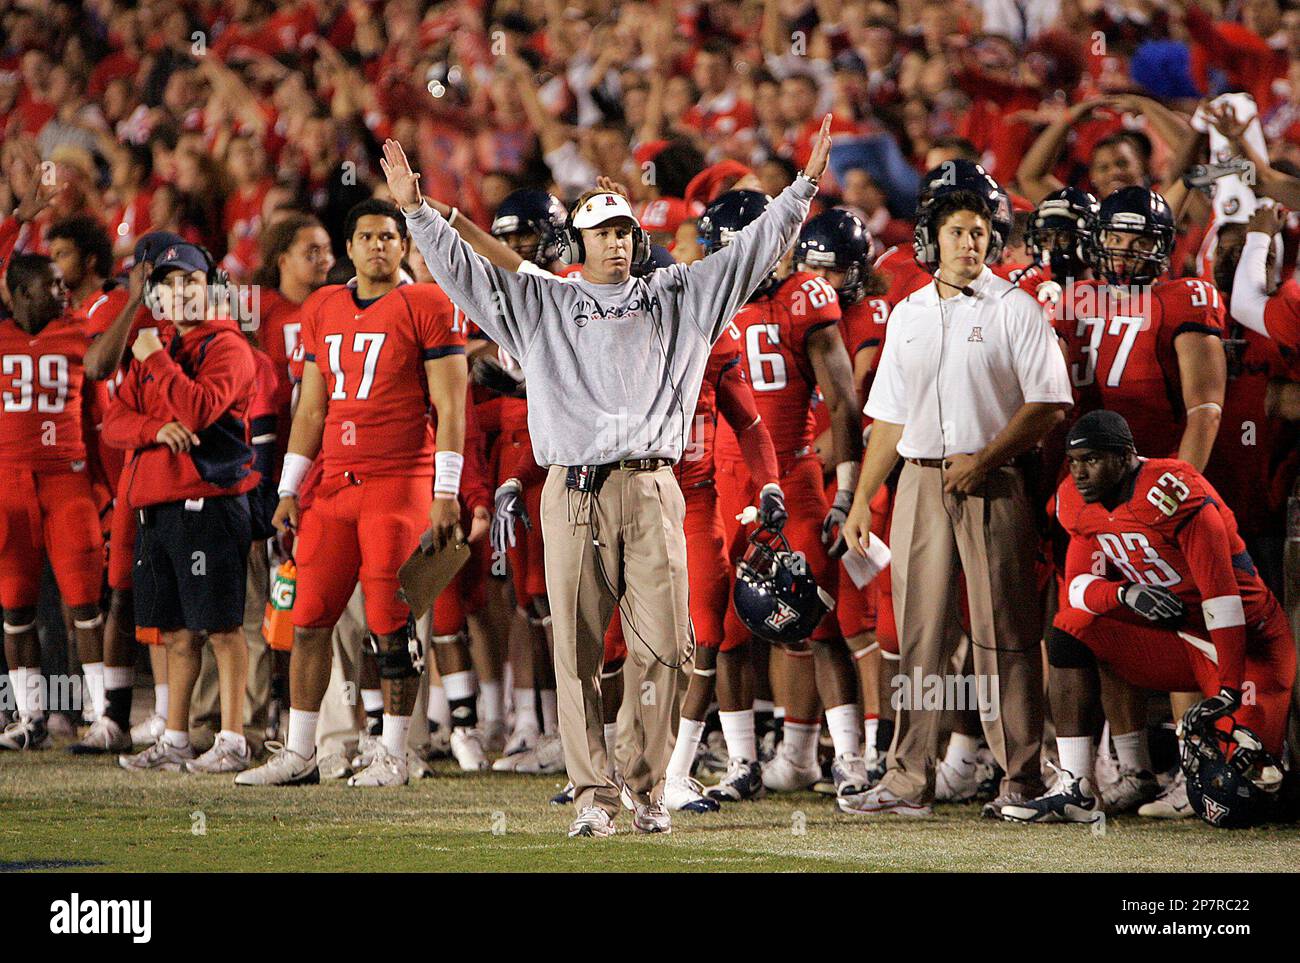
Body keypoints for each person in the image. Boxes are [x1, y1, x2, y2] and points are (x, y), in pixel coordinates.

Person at [382, 115, 835, 838]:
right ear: (581, 245)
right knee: (579, 650)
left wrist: (802, 190)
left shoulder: (681, 296)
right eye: (603, 234)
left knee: (667, 648)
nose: (617, 244)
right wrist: (415, 212)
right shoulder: (547, 301)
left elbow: (751, 253)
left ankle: (647, 787)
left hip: (656, 485)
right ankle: (593, 794)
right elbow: (469, 278)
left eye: (625, 232)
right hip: (573, 489)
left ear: (638, 239)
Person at [839, 166, 1073, 818]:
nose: (970, 242)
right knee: (920, 636)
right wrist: (861, 498)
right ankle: (910, 776)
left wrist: (986, 458)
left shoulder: (1015, 307)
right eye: (957, 231)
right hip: (918, 478)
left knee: (1006, 631)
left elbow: (1050, 402)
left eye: (979, 231)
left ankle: (1023, 778)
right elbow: (888, 415)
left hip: (994, 480)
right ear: (931, 239)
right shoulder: (909, 312)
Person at [235, 199, 468, 788]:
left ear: (402, 244)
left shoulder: (427, 303)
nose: (378, 246)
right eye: (366, 236)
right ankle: (301, 750)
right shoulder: (324, 306)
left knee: (392, 624)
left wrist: (446, 490)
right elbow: (310, 408)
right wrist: (290, 487)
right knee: (309, 618)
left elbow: (450, 404)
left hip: (401, 479)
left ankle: (393, 753)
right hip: (336, 483)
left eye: (388, 236)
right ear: (350, 247)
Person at [1003, 409, 1295, 823]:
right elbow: (1080, 591)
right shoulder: (1075, 500)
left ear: (1125, 457)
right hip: (1180, 637)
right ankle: (1079, 786)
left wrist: (1228, 689)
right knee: (1071, 629)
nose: (1080, 473)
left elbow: (1222, 598)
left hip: (1248, 643)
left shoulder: (1172, 491)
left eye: (1093, 460)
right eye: (1075, 462)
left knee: (1241, 796)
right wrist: (1126, 592)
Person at [704, 190, 867, 802]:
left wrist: (845, 489)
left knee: (816, 616)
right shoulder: (703, 301)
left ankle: (850, 758)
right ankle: (742, 760)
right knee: (722, 629)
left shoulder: (807, 296)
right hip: (722, 476)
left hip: (794, 473)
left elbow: (844, 398)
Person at [105, 242, 260, 773]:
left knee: (221, 627)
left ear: (210, 287)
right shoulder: (160, 343)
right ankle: (175, 739)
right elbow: (115, 423)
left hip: (210, 502)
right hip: (158, 504)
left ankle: (233, 738)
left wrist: (154, 358)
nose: (179, 293)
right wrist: (152, 429)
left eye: (190, 282)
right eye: (168, 285)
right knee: (174, 631)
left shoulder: (228, 348)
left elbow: (195, 410)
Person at [0, 253, 138, 751]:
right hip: (9, 483)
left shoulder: (77, 330)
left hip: (66, 480)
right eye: (51, 285)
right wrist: (15, 219)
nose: (62, 292)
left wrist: (137, 299)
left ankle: (105, 715)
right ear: (19, 294)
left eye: (64, 282)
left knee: (84, 604)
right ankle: (30, 718)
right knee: (15, 609)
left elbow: (102, 371)